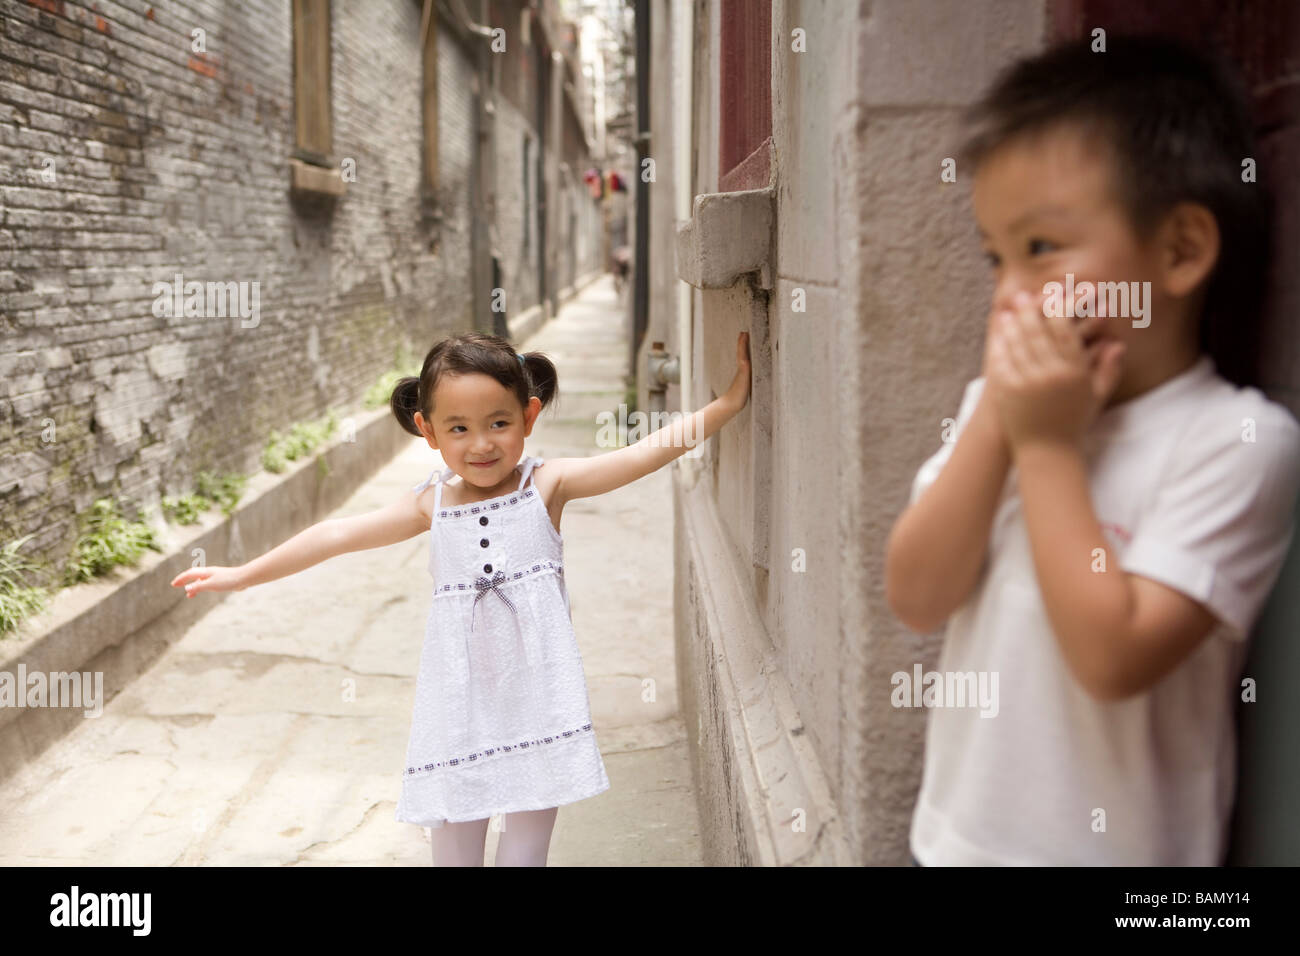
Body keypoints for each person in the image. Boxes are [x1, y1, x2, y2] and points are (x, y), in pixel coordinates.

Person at [885, 35, 1300, 866]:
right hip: (955, 843)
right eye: (996, 258)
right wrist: (1004, 422)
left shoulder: (1237, 442)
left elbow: (1113, 657)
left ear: (1181, 250)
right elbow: (917, 595)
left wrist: (1046, 449)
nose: (1009, 295)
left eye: (1042, 250)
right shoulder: (999, 410)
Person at [172, 329, 752, 865]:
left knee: (524, 854)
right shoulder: (433, 504)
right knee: (453, 847)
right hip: (454, 711)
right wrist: (243, 574)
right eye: (458, 428)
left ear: (529, 416)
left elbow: (642, 454)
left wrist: (724, 406)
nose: (481, 444)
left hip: (536, 702)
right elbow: (337, 534)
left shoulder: (545, 485)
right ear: (427, 430)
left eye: (499, 423)